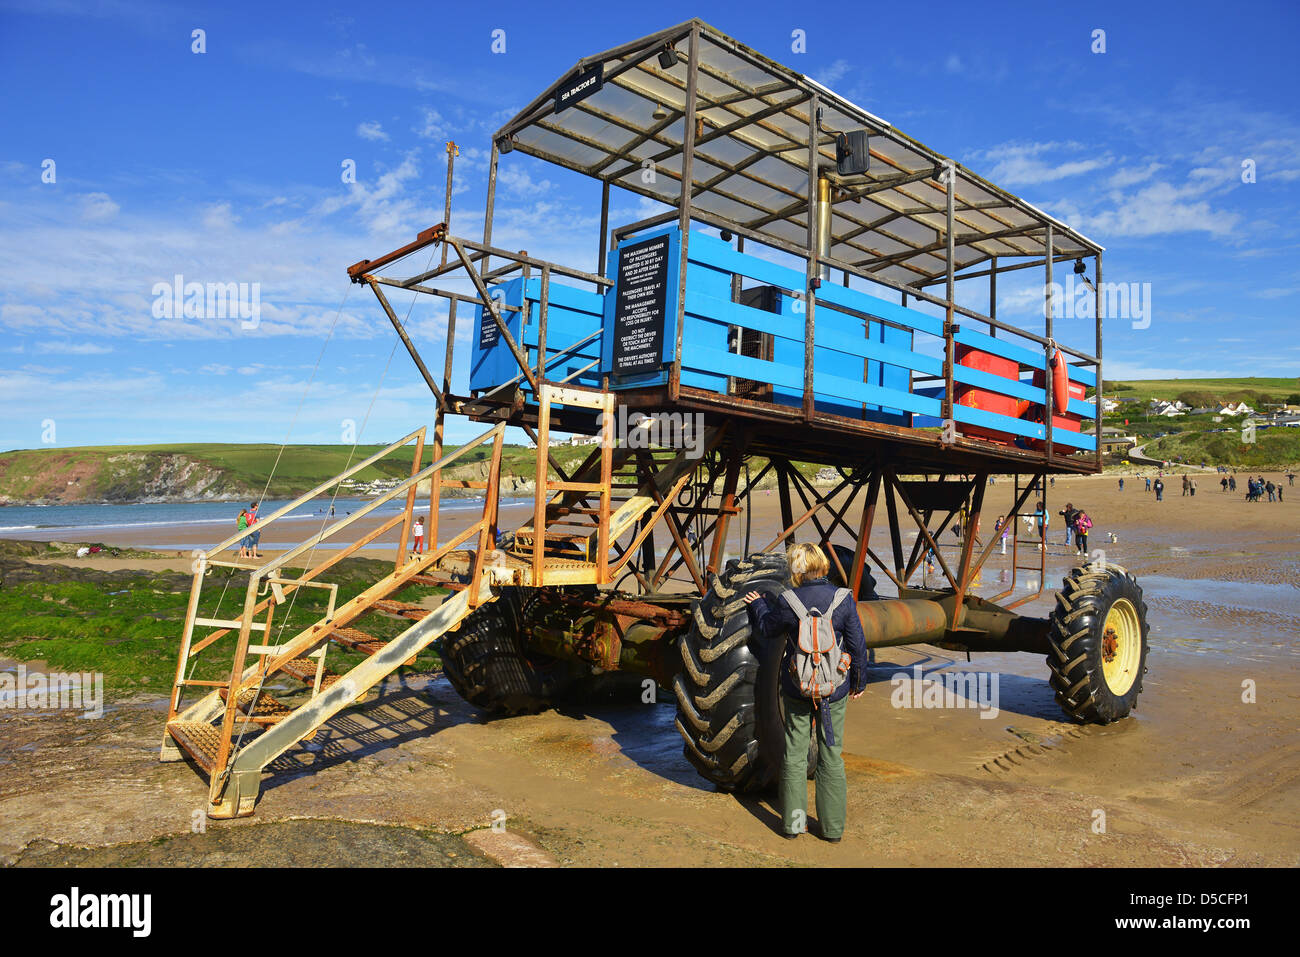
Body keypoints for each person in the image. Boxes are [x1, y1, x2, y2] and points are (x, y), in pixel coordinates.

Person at [743, 543, 868, 843]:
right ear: (823, 566)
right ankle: (832, 830)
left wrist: (758, 603)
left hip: (798, 688)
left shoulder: (788, 600)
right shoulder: (843, 599)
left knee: (796, 756)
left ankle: (793, 825)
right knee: (831, 756)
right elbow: (858, 644)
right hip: (833, 690)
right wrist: (858, 683)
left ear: (796, 570)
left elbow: (767, 628)